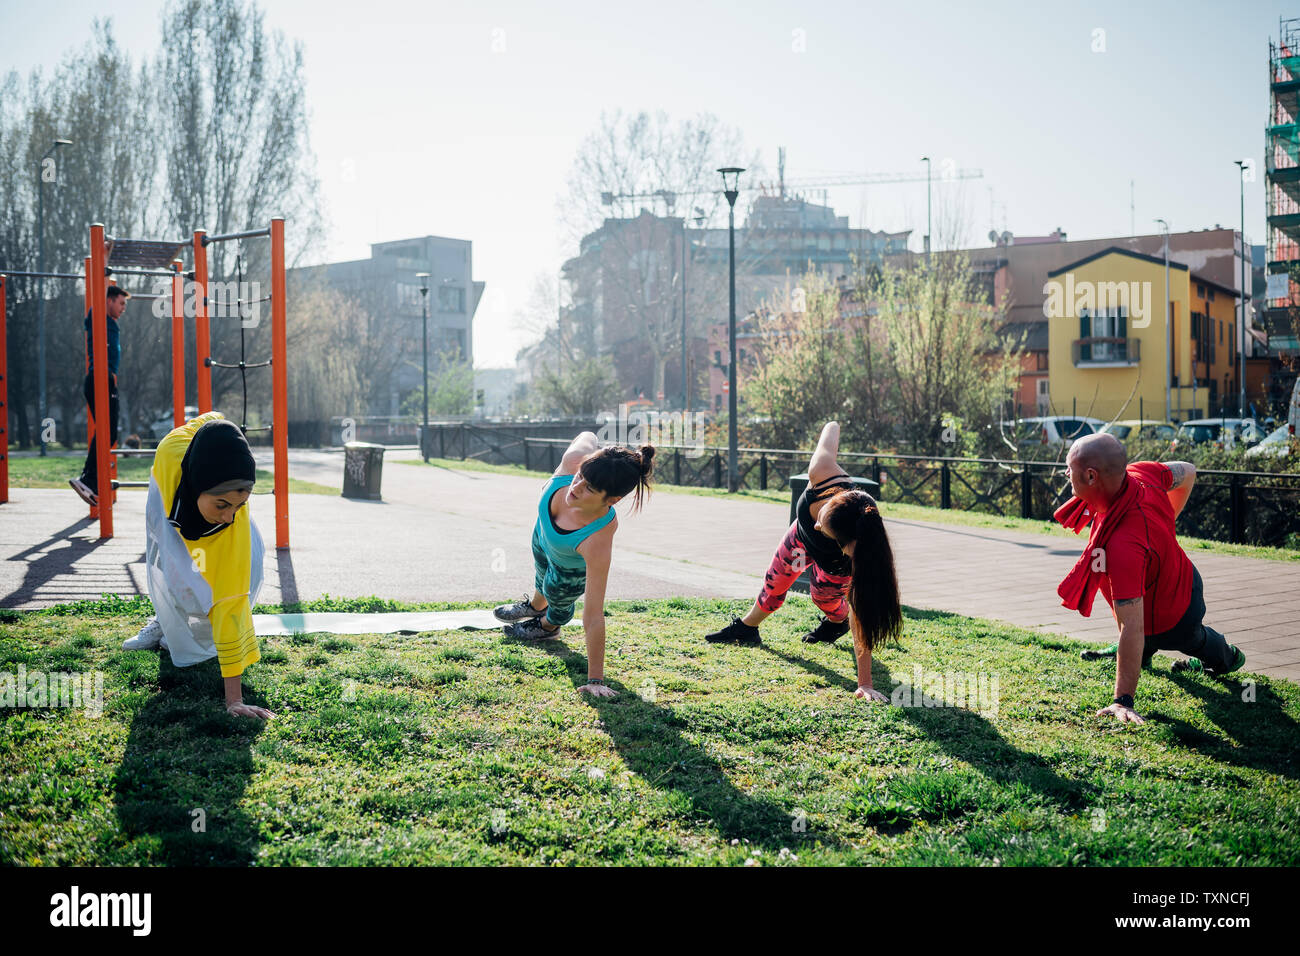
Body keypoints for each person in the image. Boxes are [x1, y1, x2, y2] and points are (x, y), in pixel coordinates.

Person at [703, 421, 903, 702]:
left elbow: (863, 613)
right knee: (774, 584)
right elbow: (831, 428)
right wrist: (834, 424)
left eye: (828, 532)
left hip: (835, 565)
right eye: (823, 521)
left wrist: (865, 683)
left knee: (822, 596)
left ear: (847, 544)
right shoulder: (823, 473)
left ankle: (836, 621)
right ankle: (747, 629)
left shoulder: (860, 552)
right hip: (800, 540)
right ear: (832, 501)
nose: (820, 527)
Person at [1056, 433, 1245, 725]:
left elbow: (1134, 625)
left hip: (1174, 615)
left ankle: (1228, 656)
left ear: (1092, 476)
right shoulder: (1139, 472)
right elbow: (1188, 471)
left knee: (1192, 639)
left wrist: (1123, 701)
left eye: (1070, 469)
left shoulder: (1125, 543)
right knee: (1133, 629)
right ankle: (1135, 652)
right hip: (1173, 578)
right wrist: (1166, 521)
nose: (1066, 474)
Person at [122, 411, 274, 720]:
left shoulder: (231, 522)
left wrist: (234, 700)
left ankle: (201, 631)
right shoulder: (169, 454)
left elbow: (229, 603)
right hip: (171, 491)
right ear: (198, 485)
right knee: (176, 570)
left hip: (210, 494)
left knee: (242, 574)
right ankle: (164, 620)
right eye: (222, 505)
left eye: (239, 505)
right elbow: (207, 421)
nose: (229, 515)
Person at [493, 431, 654, 699]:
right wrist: (592, 461)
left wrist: (595, 679)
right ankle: (534, 607)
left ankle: (548, 626)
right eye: (581, 476)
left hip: (569, 569)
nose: (575, 487)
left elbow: (593, 615)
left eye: (589, 488)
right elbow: (588, 434)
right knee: (541, 574)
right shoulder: (573, 462)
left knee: (556, 596)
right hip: (543, 538)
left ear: (612, 500)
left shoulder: (598, 537)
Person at [68, 284, 129, 506]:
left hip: (103, 380)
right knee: (108, 431)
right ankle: (88, 478)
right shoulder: (99, 317)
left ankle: (89, 480)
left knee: (107, 432)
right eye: (121, 303)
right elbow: (99, 291)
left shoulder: (110, 324)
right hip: (99, 379)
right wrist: (105, 255)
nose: (123, 309)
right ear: (109, 300)